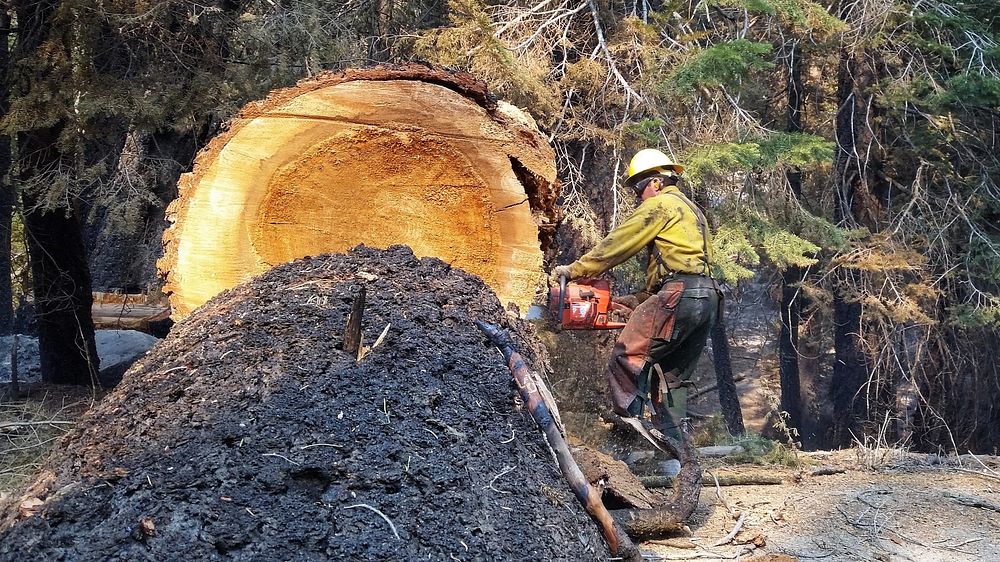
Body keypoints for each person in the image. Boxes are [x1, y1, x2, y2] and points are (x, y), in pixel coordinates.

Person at [551, 148, 721, 440]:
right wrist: (643, 297)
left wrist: (575, 270)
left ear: (656, 182)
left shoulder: (662, 205)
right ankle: (675, 453)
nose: (638, 196)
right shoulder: (692, 211)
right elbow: (681, 263)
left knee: (627, 358)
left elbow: (619, 243)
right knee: (672, 378)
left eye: (640, 188)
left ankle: (629, 437)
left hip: (680, 295)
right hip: (707, 297)